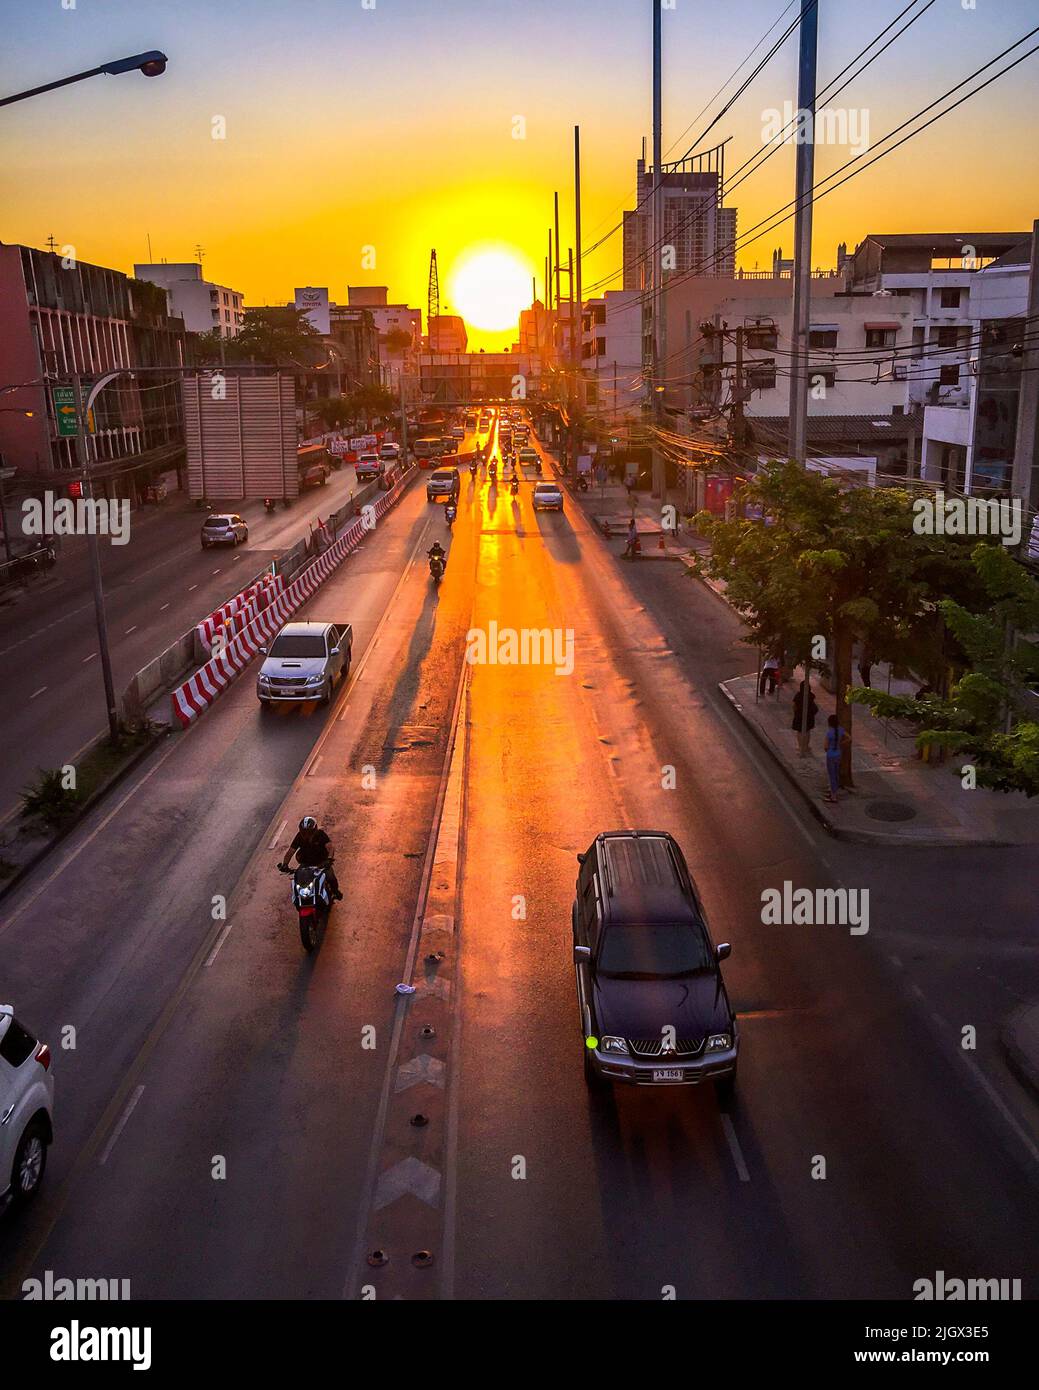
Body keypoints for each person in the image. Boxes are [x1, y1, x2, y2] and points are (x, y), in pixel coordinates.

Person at [280, 816, 342, 899]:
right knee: (298, 879)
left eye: (309, 832)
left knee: (331, 877)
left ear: (314, 830)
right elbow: (290, 851)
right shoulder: (299, 837)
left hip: (321, 862)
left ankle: (335, 892)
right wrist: (285, 864)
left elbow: (330, 847)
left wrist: (329, 859)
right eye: (304, 832)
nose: (306, 835)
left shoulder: (321, 835)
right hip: (306, 864)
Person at [824, 714, 849, 803]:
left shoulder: (829, 733)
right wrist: (841, 744)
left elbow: (825, 746)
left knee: (831, 775)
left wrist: (827, 749)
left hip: (830, 755)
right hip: (838, 754)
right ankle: (833, 791)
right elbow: (849, 738)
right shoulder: (841, 730)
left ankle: (833, 796)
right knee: (836, 773)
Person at [791, 679, 818, 757]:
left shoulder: (798, 696)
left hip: (799, 716)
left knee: (800, 732)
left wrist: (796, 712)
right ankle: (806, 746)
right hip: (809, 716)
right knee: (807, 731)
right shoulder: (811, 695)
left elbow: (794, 706)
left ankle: (800, 747)